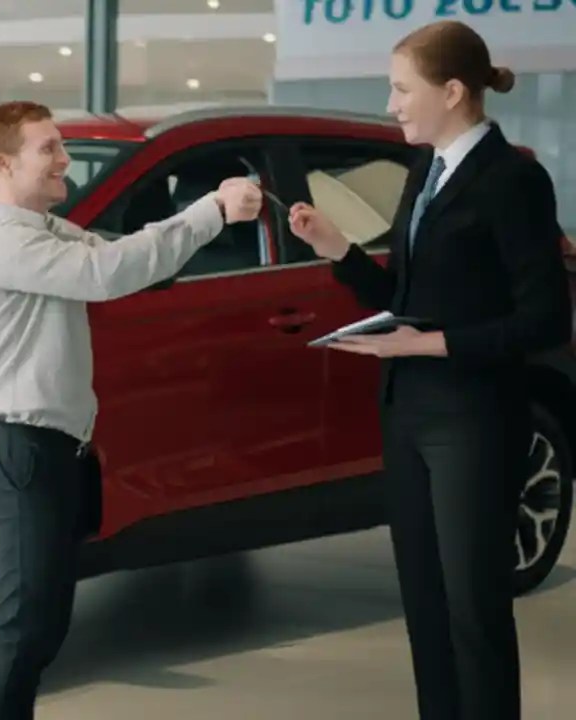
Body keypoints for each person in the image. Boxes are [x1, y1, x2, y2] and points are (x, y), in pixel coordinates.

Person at [287, 20, 571, 720]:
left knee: (474, 610)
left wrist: (428, 346)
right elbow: (404, 297)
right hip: (409, 414)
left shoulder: (513, 180)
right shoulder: (424, 173)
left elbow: (544, 322)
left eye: (401, 89)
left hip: (474, 421)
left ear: (452, 92)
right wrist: (338, 250)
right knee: (425, 607)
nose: (390, 105)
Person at [0, 100, 262, 719]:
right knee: (22, 627)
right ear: (4, 164)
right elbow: (105, 272)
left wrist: (203, 217)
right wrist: (211, 210)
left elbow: (126, 254)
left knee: (39, 628)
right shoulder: (3, 244)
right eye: (49, 148)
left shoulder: (43, 231)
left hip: (47, 452)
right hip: (19, 453)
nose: (64, 159)